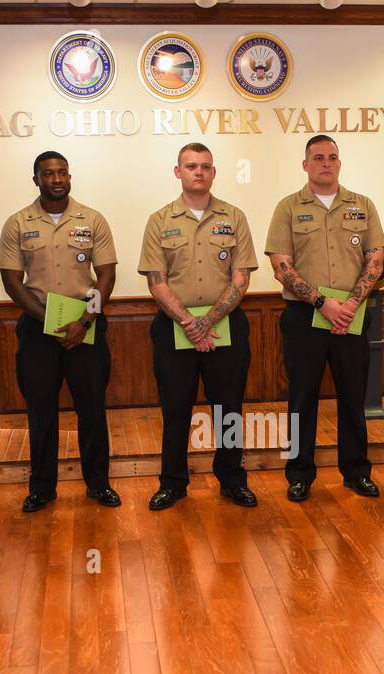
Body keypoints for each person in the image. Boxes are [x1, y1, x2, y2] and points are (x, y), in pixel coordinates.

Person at [265, 134, 384, 502]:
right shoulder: (288, 207)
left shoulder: (362, 206)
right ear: (305, 164)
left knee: (354, 396)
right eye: (318, 157)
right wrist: (322, 303)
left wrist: (348, 304)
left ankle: (356, 471)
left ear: (339, 162)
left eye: (333, 157)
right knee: (302, 398)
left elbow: (376, 259)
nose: (326, 163)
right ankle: (299, 474)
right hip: (305, 317)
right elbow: (280, 265)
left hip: (352, 314)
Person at [138, 143, 259, 511]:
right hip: (175, 328)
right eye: (191, 166)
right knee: (176, 409)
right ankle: (173, 483)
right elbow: (157, 282)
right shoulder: (160, 220)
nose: (199, 172)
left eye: (206, 166)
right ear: (178, 172)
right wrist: (191, 322)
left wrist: (209, 320)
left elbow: (240, 279)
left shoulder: (234, 217)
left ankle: (232, 480)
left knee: (230, 409)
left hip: (225, 326)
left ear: (214, 172)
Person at [0, 151, 120, 513]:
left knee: (93, 410)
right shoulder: (17, 223)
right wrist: (48, 321)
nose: (56, 179)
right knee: (41, 412)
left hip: (87, 326)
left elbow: (107, 276)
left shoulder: (93, 220)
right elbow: (11, 282)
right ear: (35, 179)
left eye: (62, 173)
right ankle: (42, 488)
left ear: (70, 177)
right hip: (38, 331)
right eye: (48, 174)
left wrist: (84, 321)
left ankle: (99, 484)